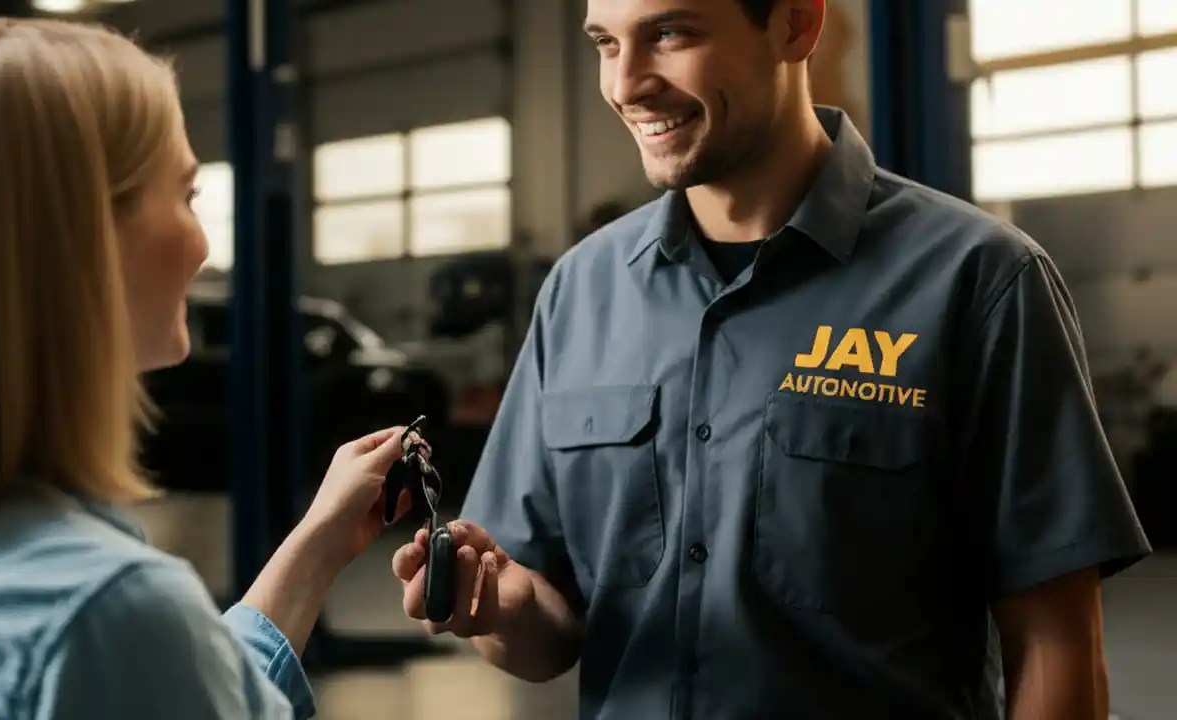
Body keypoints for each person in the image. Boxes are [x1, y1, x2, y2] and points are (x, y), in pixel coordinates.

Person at [392, 1, 1152, 718]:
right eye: (606, 43)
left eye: (671, 34)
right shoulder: (581, 292)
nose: (625, 85)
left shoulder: (978, 281)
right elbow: (541, 636)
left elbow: (1058, 645)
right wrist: (497, 604)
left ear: (796, 23)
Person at [0, 18, 414, 720]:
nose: (202, 247)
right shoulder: (104, 615)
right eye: (186, 196)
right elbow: (139, 651)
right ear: (83, 238)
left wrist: (316, 546)